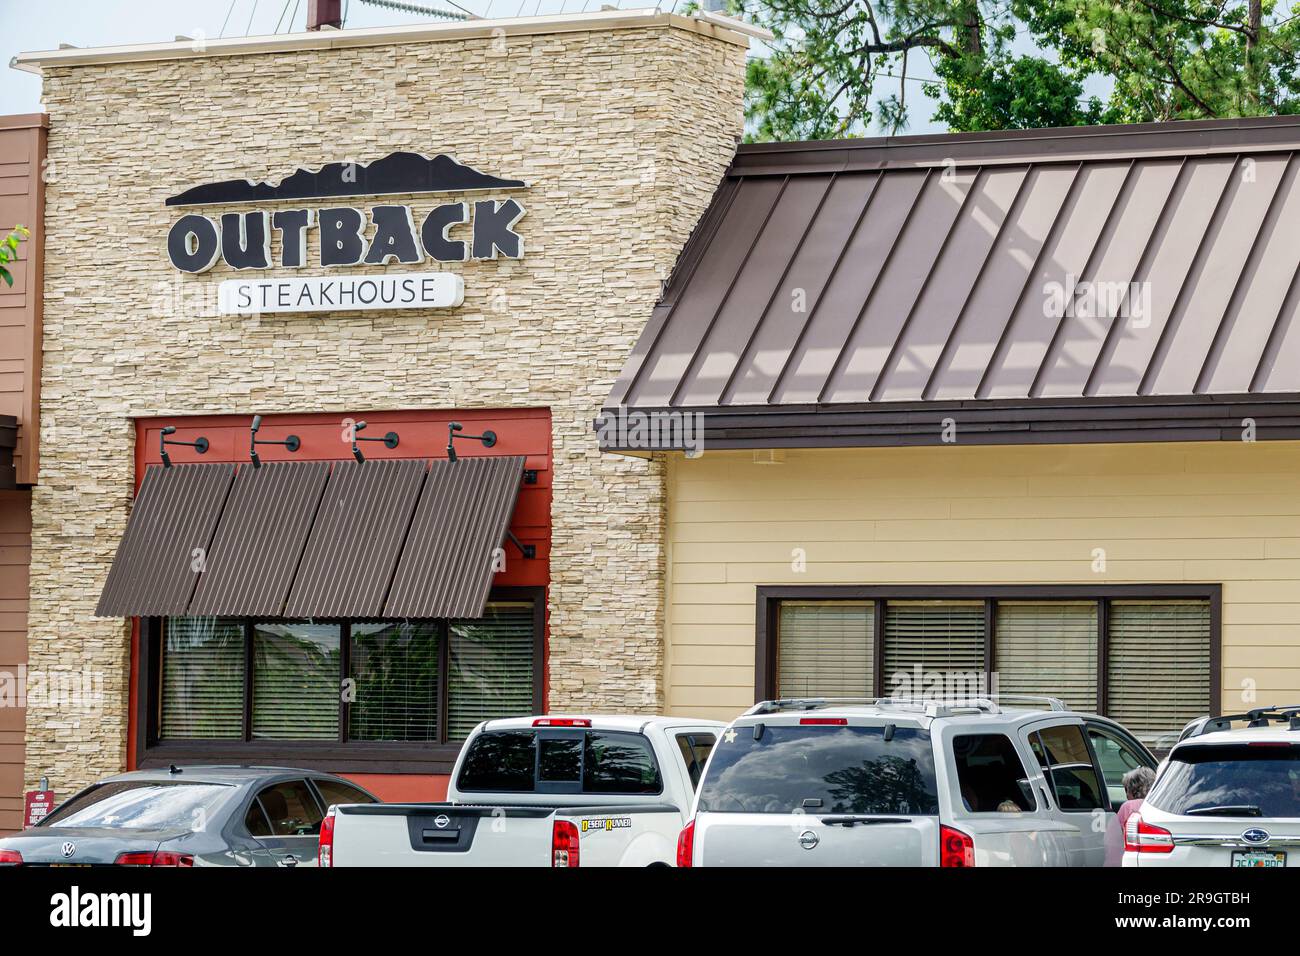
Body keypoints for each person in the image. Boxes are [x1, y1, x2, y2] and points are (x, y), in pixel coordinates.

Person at [1105, 766, 1156, 866]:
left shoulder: (1128, 807)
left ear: (1134, 789)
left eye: (1126, 789)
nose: (1126, 795)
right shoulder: (1159, 806)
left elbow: (1111, 839)